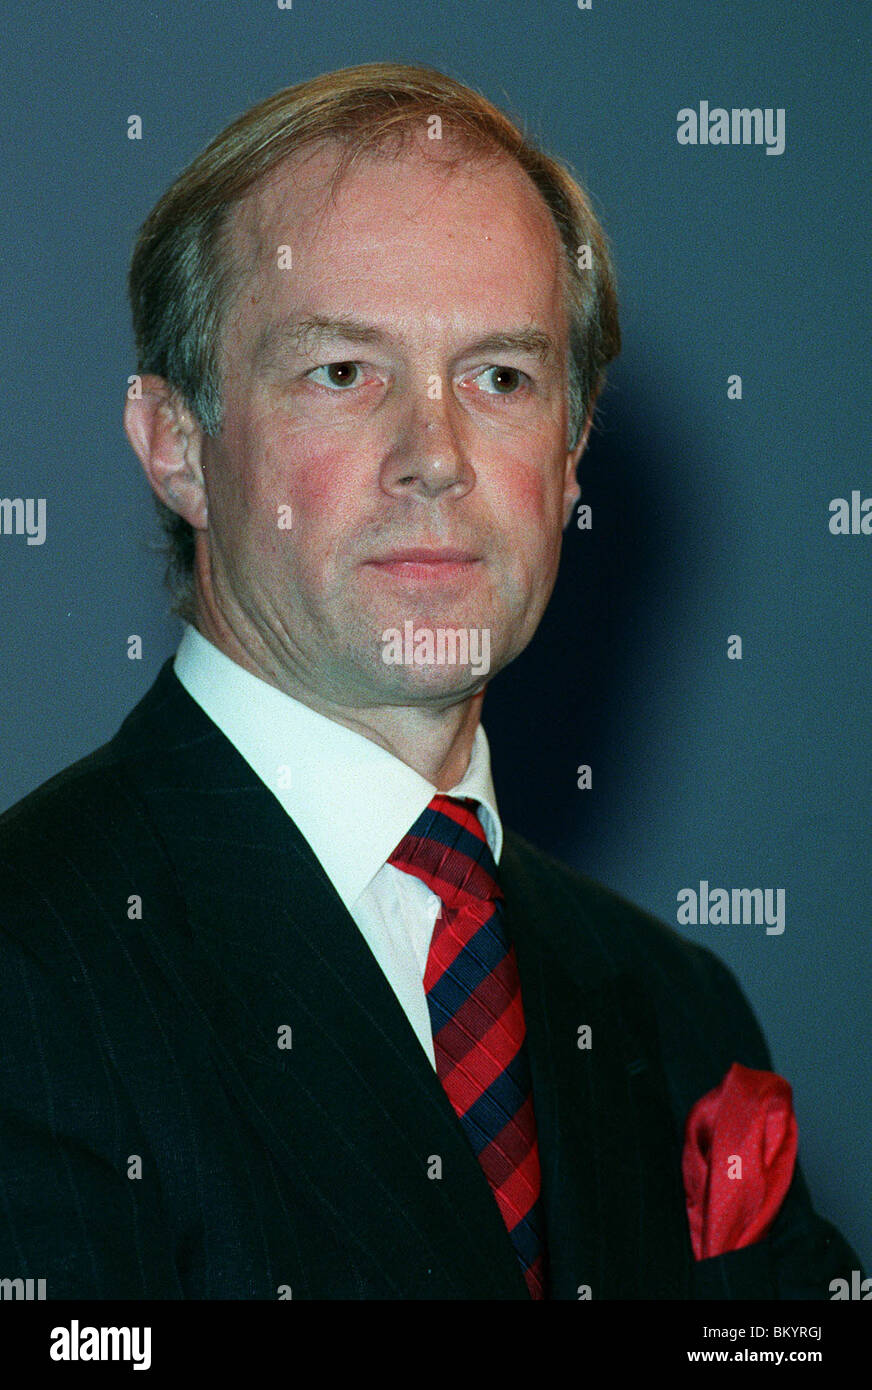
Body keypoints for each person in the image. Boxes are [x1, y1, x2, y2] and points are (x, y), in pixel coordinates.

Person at [0, 61, 861, 1300]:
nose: (435, 457)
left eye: (499, 377)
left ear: (570, 452)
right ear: (178, 446)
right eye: (343, 372)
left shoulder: (672, 1010)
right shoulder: (33, 969)